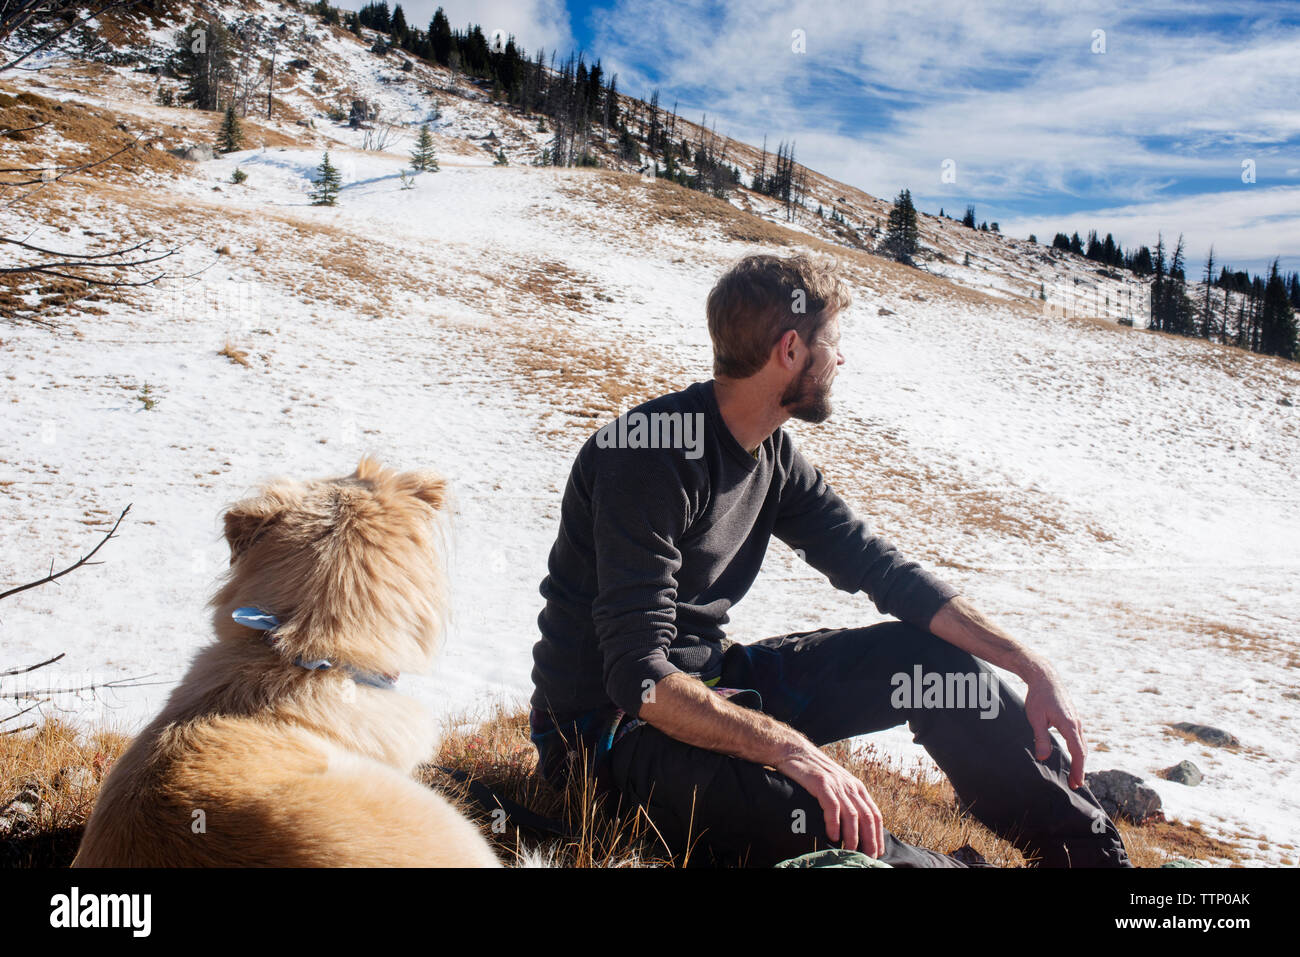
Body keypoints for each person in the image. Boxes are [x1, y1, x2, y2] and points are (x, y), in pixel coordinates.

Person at [527, 252, 1132, 868]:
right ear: (790, 349)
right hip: (604, 734)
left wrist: (1027, 665)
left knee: (927, 661)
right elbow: (639, 678)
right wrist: (786, 749)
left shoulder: (773, 455)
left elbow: (881, 569)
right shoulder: (648, 457)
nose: (840, 360)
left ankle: (1091, 858)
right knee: (816, 811)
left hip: (709, 684)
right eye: (833, 343)